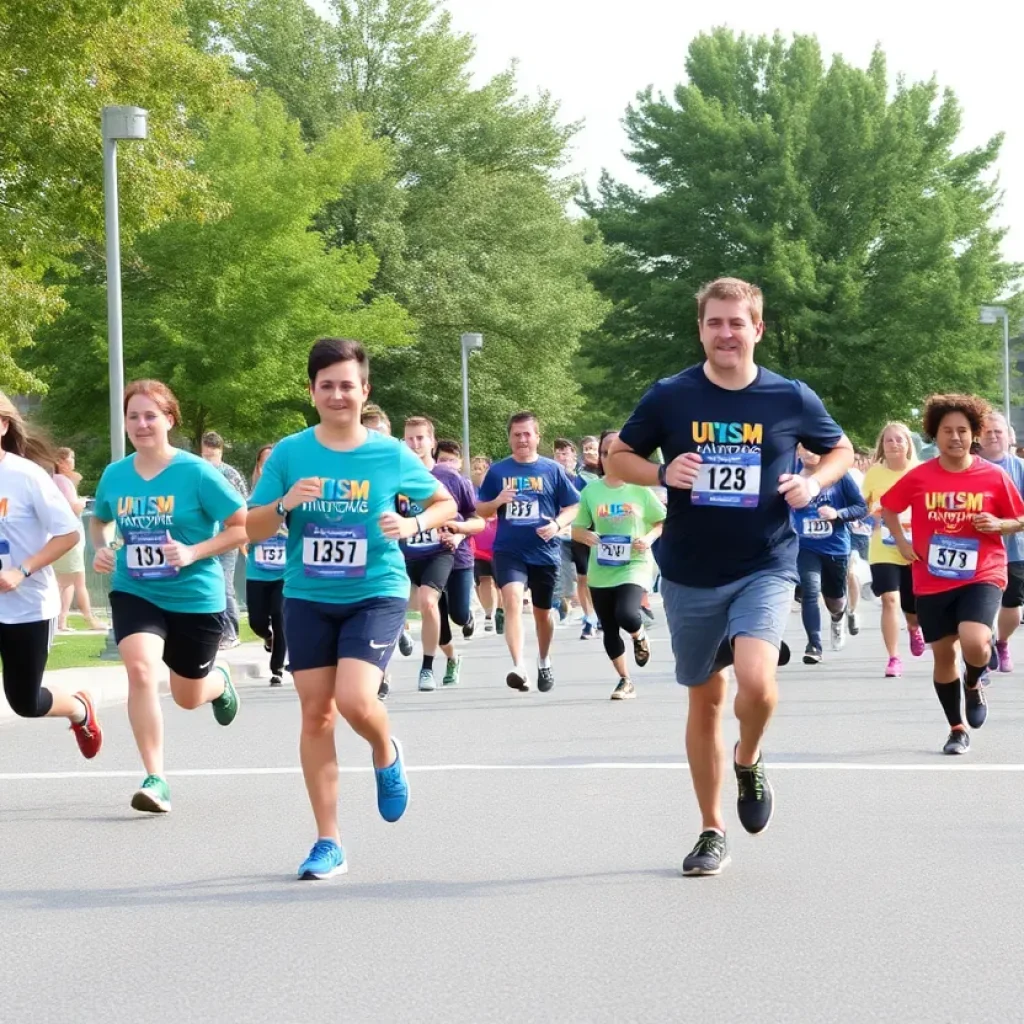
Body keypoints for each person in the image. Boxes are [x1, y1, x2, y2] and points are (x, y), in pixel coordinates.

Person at [606, 276, 853, 876]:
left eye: (736, 322)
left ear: (757, 328)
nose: (725, 333)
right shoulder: (670, 396)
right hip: (690, 571)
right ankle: (711, 829)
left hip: (765, 562)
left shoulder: (789, 397)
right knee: (706, 700)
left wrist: (813, 481)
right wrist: (664, 475)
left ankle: (749, 756)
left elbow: (841, 449)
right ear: (701, 329)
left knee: (757, 683)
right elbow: (616, 456)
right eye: (714, 322)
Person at [247, 338, 456, 879]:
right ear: (312, 391)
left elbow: (445, 503)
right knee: (316, 714)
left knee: (355, 700)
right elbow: (252, 526)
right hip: (309, 595)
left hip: (376, 591)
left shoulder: (389, 453)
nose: (338, 395)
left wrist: (412, 524)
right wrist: (286, 502)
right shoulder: (291, 452)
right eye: (327, 385)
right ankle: (328, 841)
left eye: (348, 385)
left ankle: (385, 749)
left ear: (365, 391)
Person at [91, 380, 246, 813]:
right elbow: (101, 520)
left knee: (187, 696)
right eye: (133, 416)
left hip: (194, 595)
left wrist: (194, 550)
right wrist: (103, 547)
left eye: (150, 415)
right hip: (135, 588)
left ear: (169, 420)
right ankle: (156, 778)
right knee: (140, 670)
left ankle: (218, 683)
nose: (141, 424)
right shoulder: (114, 474)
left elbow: (241, 525)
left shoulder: (196, 472)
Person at [881, 395, 1024, 754]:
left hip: (983, 572)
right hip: (932, 576)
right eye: (947, 430)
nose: (955, 437)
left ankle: (973, 683)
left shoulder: (994, 476)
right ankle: (956, 728)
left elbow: (1020, 518)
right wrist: (900, 542)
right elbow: (890, 508)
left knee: (975, 641)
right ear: (935, 434)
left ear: (973, 434)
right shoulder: (920, 477)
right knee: (944, 656)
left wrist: (999, 524)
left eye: (963, 430)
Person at [0, 394, 102, 757]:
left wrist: (22, 570)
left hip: (26, 606)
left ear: (3, 425)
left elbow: (69, 533)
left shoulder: (26, 476)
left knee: (25, 701)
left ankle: (79, 709)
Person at [476, 412, 581, 692]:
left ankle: (544, 660)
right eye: (516, 434)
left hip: (544, 551)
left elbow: (574, 506)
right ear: (509, 438)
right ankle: (518, 666)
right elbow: (481, 509)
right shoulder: (498, 472)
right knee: (511, 600)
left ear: (537, 437)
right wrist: (498, 500)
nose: (522, 439)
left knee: (542, 613)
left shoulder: (552, 470)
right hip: (509, 550)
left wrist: (557, 524)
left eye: (527, 434)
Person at [573, 429, 665, 698]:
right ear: (600, 457)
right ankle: (625, 680)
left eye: (615, 450)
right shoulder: (591, 491)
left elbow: (661, 521)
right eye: (604, 452)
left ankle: (638, 635)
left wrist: (648, 538)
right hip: (601, 568)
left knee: (626, 614)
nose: (609, 456)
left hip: (634, 562)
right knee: (609, 627)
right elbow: (577, 529)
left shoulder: (638, 489)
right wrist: (586, 535)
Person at [400, 418, 482, 691]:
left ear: (432, 443)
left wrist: (458, 533)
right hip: (409, 554)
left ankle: (427, 667)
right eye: (409, 439)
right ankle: (449, 658)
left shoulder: (450, 477)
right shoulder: (394, 477)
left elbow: (477, 520)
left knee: (453, 613)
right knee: (431, 609)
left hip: (447, 553)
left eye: (421, 438)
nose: (415, 444)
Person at [791, 446, 867, 663]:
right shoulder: (791, 472)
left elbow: (861, 507)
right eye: (802, 448)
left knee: (835, 601)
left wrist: (837, 513)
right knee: (810, 589)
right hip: (805, 546)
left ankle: (838, 617)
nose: (808, 452)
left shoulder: (838, 475)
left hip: (835, 547)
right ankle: (814, 645)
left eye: (812, 447)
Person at [862, 423, 924, 677]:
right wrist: (871, 516)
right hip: (883, 546)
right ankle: (893, 658)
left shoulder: (920, 471)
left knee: (912, 607)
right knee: (889, 600)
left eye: (900, 439)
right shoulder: (874, 474)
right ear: (882, 446)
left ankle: (913, 627)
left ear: (909, 444)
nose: (895, 444)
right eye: (889, 440)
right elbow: (863, 506)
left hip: (914, 546)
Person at [978, 411, 1024, 673]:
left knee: (1012, 606)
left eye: (998, 431)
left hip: (1014, 549)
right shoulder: (969, 466)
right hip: (977, 551)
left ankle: (1002, 641)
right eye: (987, 432)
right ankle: (980, 655)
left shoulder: (1020, 469)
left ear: (1009, 436)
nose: (993, 436)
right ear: (978, 437)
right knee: (979, 605)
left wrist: (1006, 524)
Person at [200, 431, 249, 649]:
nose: (209, 460)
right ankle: (216, 631)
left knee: (225, 586)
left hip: (227, 536)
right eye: (206, 455)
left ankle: (231, 632)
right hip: (206, 537)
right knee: (209, 585)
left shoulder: (229, 474)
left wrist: (241, 537)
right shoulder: (198, 470)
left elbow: (245, 503)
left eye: (212, 455)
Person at [245, 444, 286, 686]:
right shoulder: (251, 501)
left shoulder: (292, 496)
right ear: (258, 468)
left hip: (284, 571)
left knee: (280, 615)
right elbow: (241, 529)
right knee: (257, 621)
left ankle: (277, 669)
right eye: (264, 464)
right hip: (257, 571)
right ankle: (266, 636)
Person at [52, 446, 105, 631]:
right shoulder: (62, 481)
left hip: (63, 535)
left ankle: (62, 620)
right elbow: (73, 508)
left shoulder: (55, 480)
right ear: (61, 461)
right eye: (71, 458)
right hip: (70, 536)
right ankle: (89, 619)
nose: (73, 462)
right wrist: (82, 502)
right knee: (74, 580)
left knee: (69, 582)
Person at [553, 438, 596, 633]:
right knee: (570, 577)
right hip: (560, 535)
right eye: (558, 454)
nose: (562, 457)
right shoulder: (550, 478)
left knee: (587, 576)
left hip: (582, 532)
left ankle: (594, 615)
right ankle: (583, 614)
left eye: (565, 453)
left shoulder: (583, 478)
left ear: (573, 456)